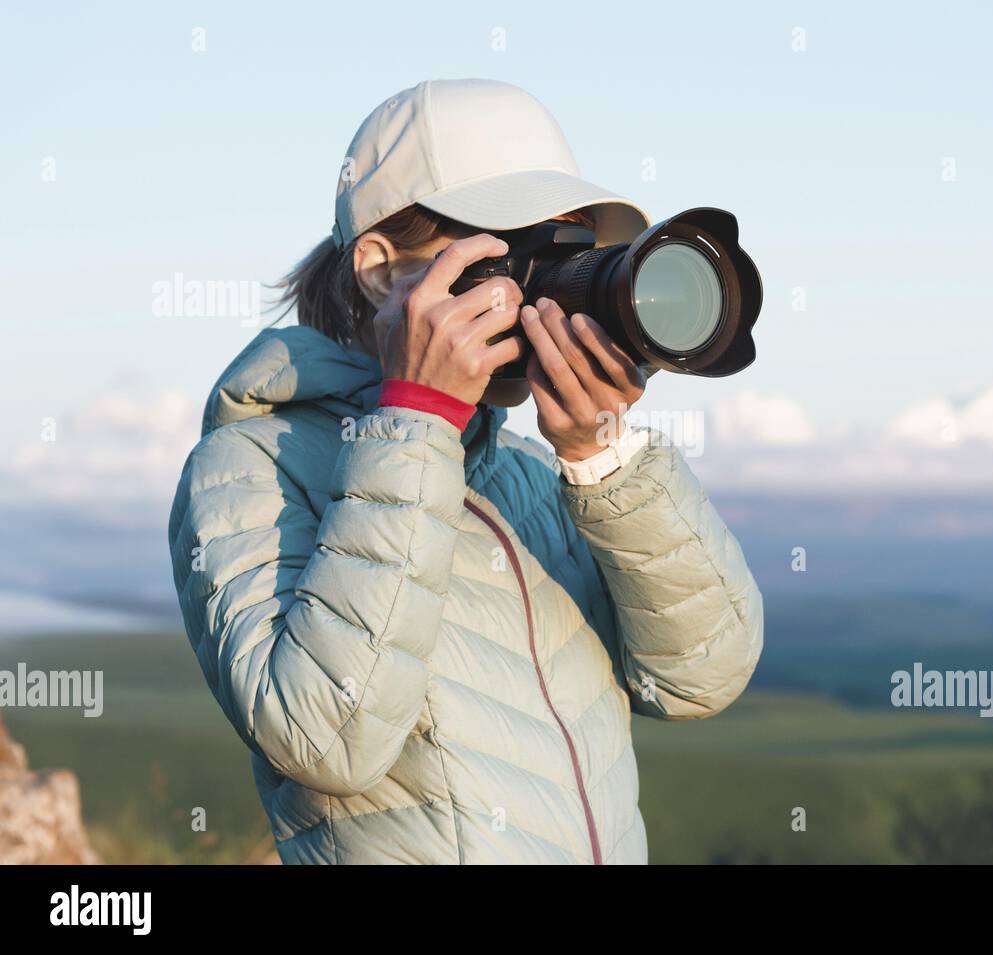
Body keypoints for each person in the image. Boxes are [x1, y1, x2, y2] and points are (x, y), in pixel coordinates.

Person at [167, 79, 763, 864]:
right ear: (382, 271)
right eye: (514, 251)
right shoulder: (246, 467)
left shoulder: (530, 476)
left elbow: (699, 676)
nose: (547, 288)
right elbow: (327, 739)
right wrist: (415, 418)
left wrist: (604, 456)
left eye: (573, 253)